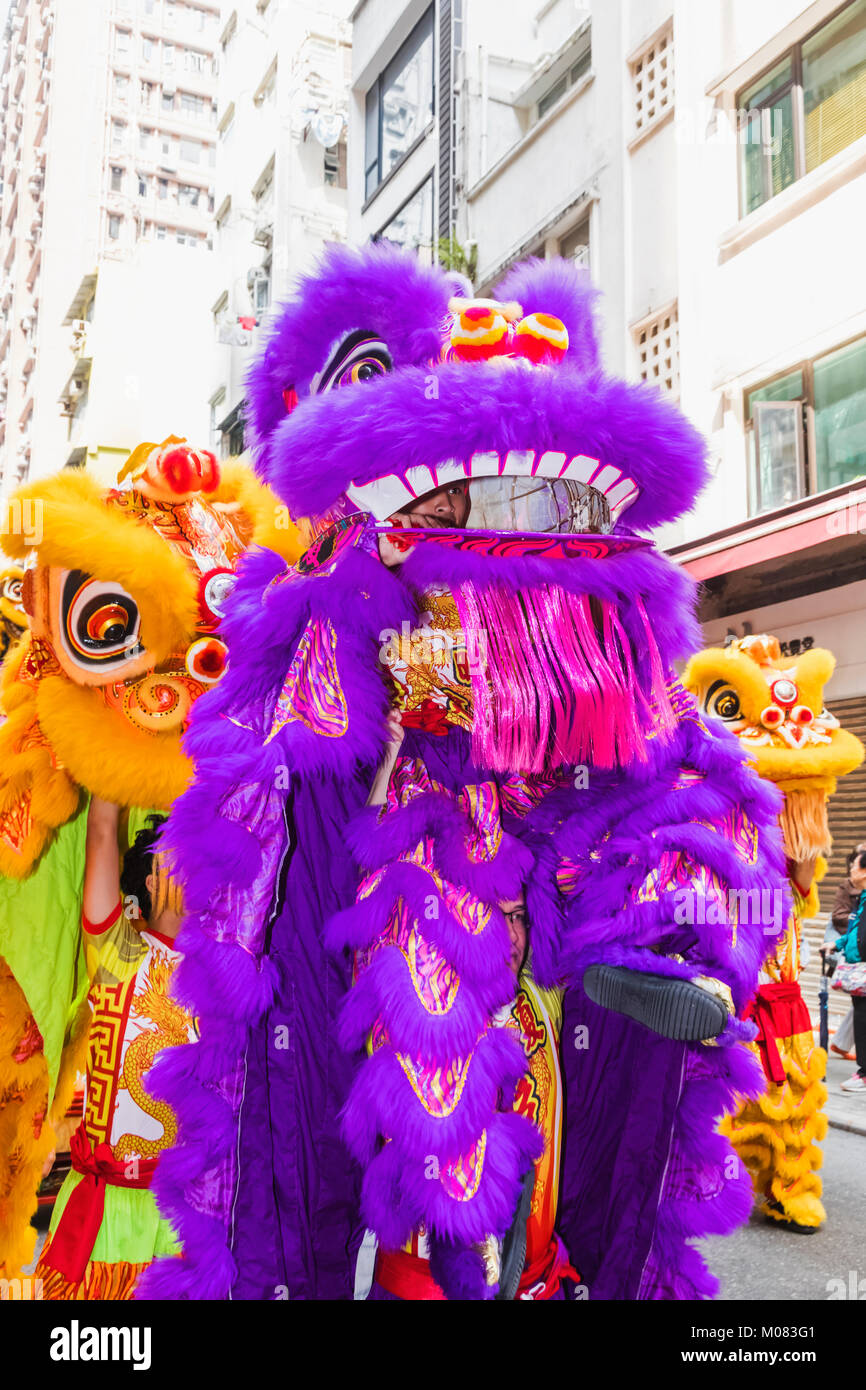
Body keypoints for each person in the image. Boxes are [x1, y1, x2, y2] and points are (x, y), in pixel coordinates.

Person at [35, 797, 196, 1299]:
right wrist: (118, 734)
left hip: (181, 1211)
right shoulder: (118, 953)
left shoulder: (220, 974)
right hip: (104, 1214)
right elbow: (103, 828)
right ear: (151, 879)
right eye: (181, 858)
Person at [833, 850, 866, 1093]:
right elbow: (854, 930)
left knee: (863, 1020)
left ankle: (864, 1074)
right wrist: (837, 944)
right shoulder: (861, 898)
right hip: (856, 967)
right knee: (860, 1018)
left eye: (855, 867)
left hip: (862, 967)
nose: (851, 871)